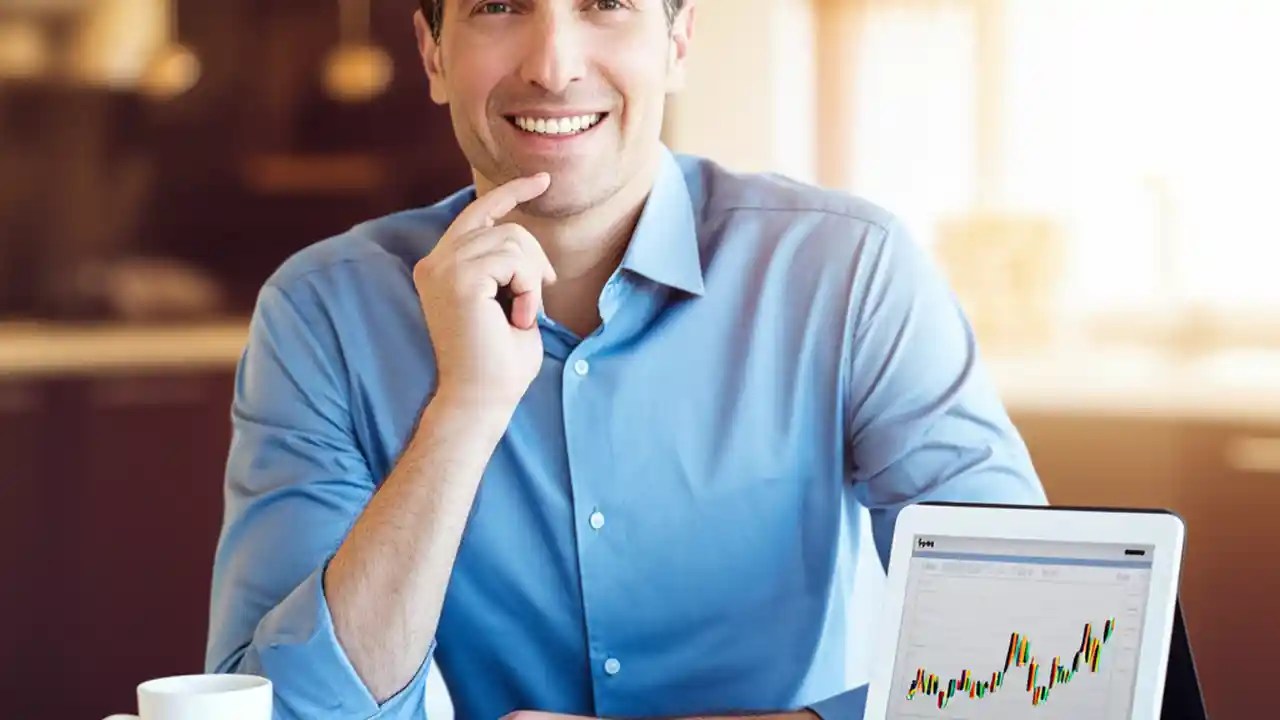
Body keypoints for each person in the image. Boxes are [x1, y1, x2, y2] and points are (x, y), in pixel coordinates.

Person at [205, 1, 1047, 718]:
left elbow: (1033, 664)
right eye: (499, 5)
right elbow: (276, 706)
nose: (553, 63)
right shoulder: (323, 313)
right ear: (432, 52)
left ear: (678, 39)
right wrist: (461, 414)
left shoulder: (850, 271)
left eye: (606, 2)